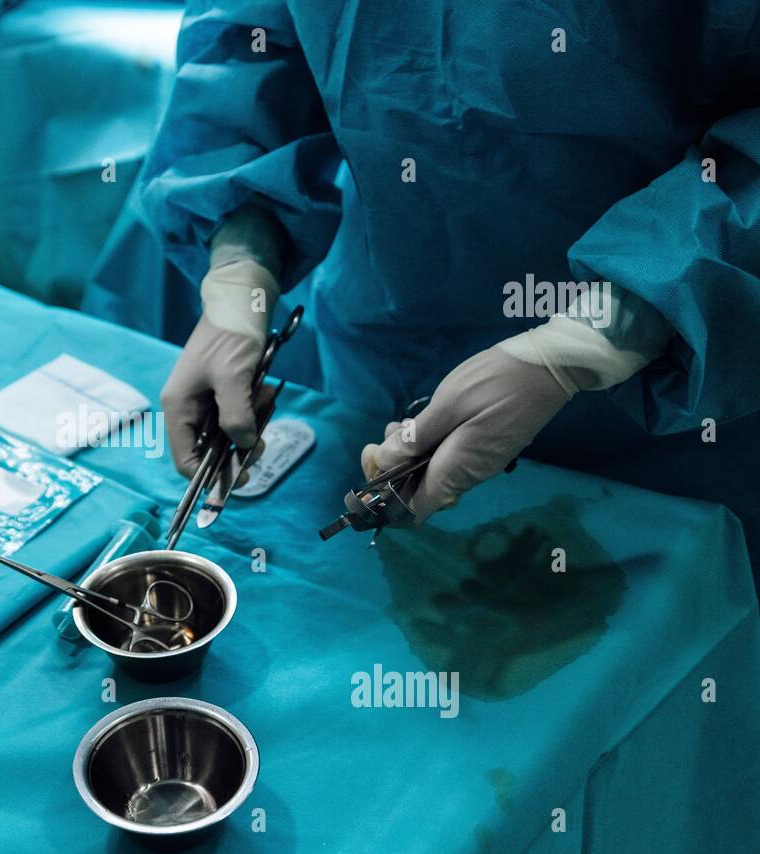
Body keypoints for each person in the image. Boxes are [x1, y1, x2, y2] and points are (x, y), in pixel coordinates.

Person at [141, 0, 760, 571]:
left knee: (651, 642)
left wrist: (592, 341)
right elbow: (256, 37)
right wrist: (240, 259)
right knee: (397, 595)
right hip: (383, 330)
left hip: (667, 380)